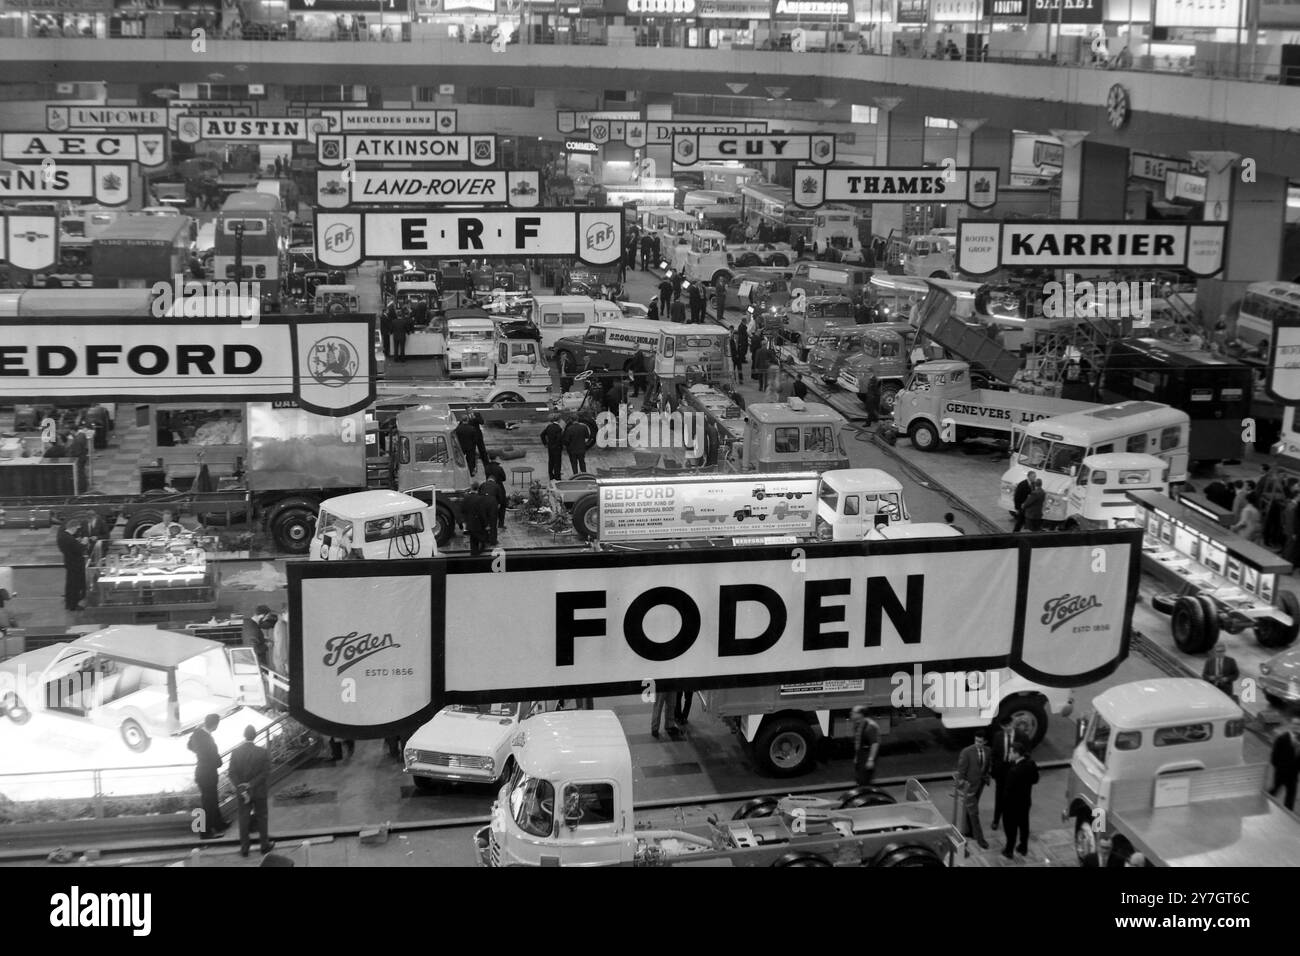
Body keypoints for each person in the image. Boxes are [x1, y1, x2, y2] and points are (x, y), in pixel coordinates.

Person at [228, 725, 274, 857]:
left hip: (243, 793)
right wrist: (251, 784)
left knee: (243, 819)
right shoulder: (263, 752)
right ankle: (264, 846)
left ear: (244, 735)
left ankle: (244, 849)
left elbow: (231, 773)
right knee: (262, 817)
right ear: (255, 736)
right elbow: (265, 772)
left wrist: (242, 787)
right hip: (259, 791)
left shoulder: (235, 752)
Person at [188, 714, 226, 839]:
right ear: (215, 725)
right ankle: (205, 832)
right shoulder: (207, 740)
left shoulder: (197, 733)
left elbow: (189, 746)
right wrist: (218, 762)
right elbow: (215, 760)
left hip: (202, 773)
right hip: (207, 774)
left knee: (212, 801)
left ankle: (219, 824)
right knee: (209, 804)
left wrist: (198, 753)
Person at [991, 714, 1029, 832]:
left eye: (1009, 725)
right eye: (1004, 726)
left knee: (1015, 797)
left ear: (1013, 723)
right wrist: (994, 769)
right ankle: (996, 820)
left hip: (1015, 770)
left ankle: (1014, 821)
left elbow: (1027, 753)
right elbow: (994, 754)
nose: (1007, 728)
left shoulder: (1022, 736)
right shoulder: (998, 736)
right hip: (1001, 771)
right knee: (999, 796)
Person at [1001, 741, 1038, 859]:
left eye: (1011, 752)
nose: (1009, 754)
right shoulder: (1031, 764)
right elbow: (1035, 779)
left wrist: (1003, 804)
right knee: (1024, 825)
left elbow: (1008, 790)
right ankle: (1023, 847)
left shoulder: (1014, 771)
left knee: (1010, 828)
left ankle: (1009, 850)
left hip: (1012, 805)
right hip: (1025, 801)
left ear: (1017, 754)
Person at [955, 731, 992, 850]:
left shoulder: (988, 751)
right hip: (968, 788)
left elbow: (987, 766)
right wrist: (961, 786)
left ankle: (967, 831)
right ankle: (980, 838)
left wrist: (987, 776)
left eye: (980, 742)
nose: (977, 744)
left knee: (969, 810)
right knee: (974, 813)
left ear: (985, 742)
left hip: (980, 785)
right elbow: (961, 771)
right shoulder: (967, 752)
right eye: (976, 741)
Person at [1269, 716, 1300, 811]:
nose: (1296, 726)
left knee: (1291, 796)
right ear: (1290, 725)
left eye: (1298, 725)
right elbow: (1274, 756)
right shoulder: (1282, 739)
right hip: (1281, 773)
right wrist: (1279, 768)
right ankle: (1266, 803)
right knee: (1275, 789)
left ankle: (1288, 813)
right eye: (1295, 724)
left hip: (1293, 774)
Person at [56, 521, 87, 612]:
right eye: (77, 529)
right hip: (75, 564)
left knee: (70, 584)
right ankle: (73, 605)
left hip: (69, 563)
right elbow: (79, 549)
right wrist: (84, 543)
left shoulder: (62, 536)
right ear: (73, 527)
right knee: (75, 586)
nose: (77, 531)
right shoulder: (69, 539)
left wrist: (77, 542)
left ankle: (69, 603)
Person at [851, 705, 880, 785]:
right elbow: (858, 741)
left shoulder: (870, 726)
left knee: (865, 780)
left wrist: (870, 760)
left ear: (860, 714)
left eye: (854, 713)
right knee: (859, 779)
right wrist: (857, 756)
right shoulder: (858, 724)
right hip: (861, 756)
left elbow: (874, 743)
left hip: (867, 755)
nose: (851, 714)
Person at [243, 605, 277, 669]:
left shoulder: (248, 623)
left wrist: (263, 639)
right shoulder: (253, 628)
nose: (267, 619)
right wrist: (267, 645)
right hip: (258, 663)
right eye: (267, 617)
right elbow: (254, 649)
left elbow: (253, 640)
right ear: (262, 616)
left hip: (254, 661)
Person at [462, 483, 491, 556]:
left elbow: (462, 510)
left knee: (473, 541)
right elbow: (482, 513)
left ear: (471, 488)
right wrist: (486, 524)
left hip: (470, 523)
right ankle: (481, 547)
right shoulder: (480, 499)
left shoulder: (466, 498)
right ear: (478, 489)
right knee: (481, 537)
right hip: (478, 524)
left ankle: (474, 555)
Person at [480, 472, 504, 544]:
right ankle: (493, 540)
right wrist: (499, 504)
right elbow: (500, 497)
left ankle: (484, 539)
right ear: (494, 480)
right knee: (493, 523)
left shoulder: (482, 485)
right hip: (492, 504)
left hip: (483, 503)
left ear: (488, 479)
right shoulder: (496, 486)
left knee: (484, 521)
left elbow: (479, 494)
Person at [541, 415, 565, 481]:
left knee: (551, 462)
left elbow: (542, 435)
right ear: (559, 420)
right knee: (557, 463)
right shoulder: (559, 428)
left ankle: (551, 476)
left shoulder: (549, 427)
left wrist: (545, 443)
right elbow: (559, 438)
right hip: (557, 448)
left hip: (550, 447)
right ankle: (557, 477)